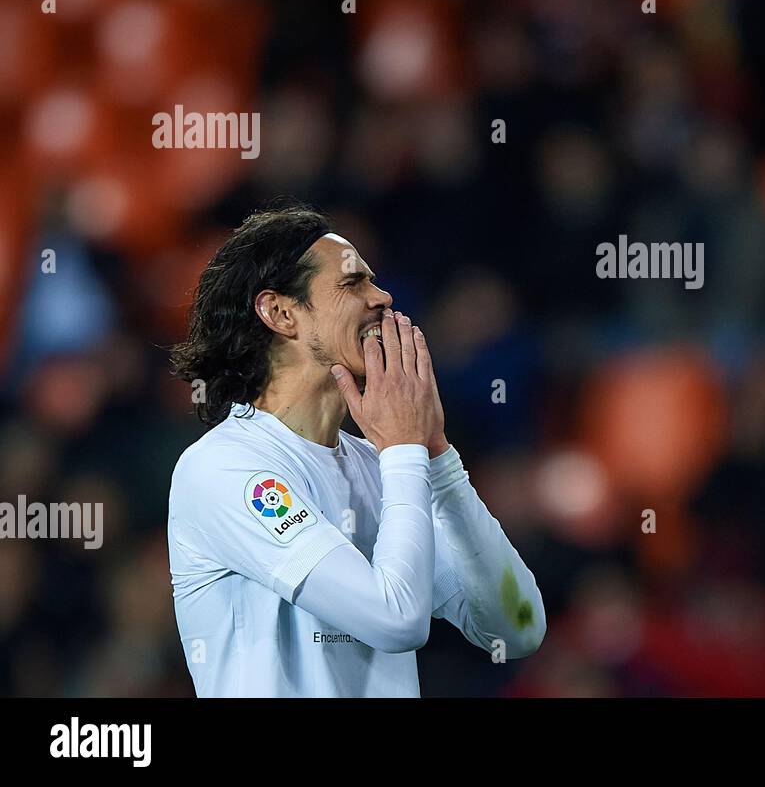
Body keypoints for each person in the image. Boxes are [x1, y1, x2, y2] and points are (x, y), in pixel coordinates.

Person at [166, 202, 544, 696]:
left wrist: (437, 457)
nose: (382, 297)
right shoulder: (224, 467)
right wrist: (407, 451)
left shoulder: (385, 464)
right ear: (280, 312)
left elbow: (517, 628)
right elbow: (395, 620)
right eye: (353, 283)